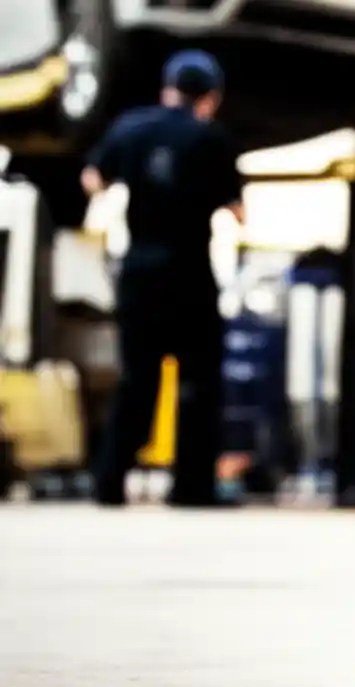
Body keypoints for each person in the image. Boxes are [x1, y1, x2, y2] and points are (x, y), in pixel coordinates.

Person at [83, 50, 243, 506]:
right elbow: (237, 212)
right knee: (198, 385)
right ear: (210, 98)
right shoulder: (213, 139)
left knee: (136, 382)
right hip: (190, 275)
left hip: (139, 274)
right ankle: (191, 488)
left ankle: (109, 483)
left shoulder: (131, 128)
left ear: (167, 89)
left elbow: (94, 179)